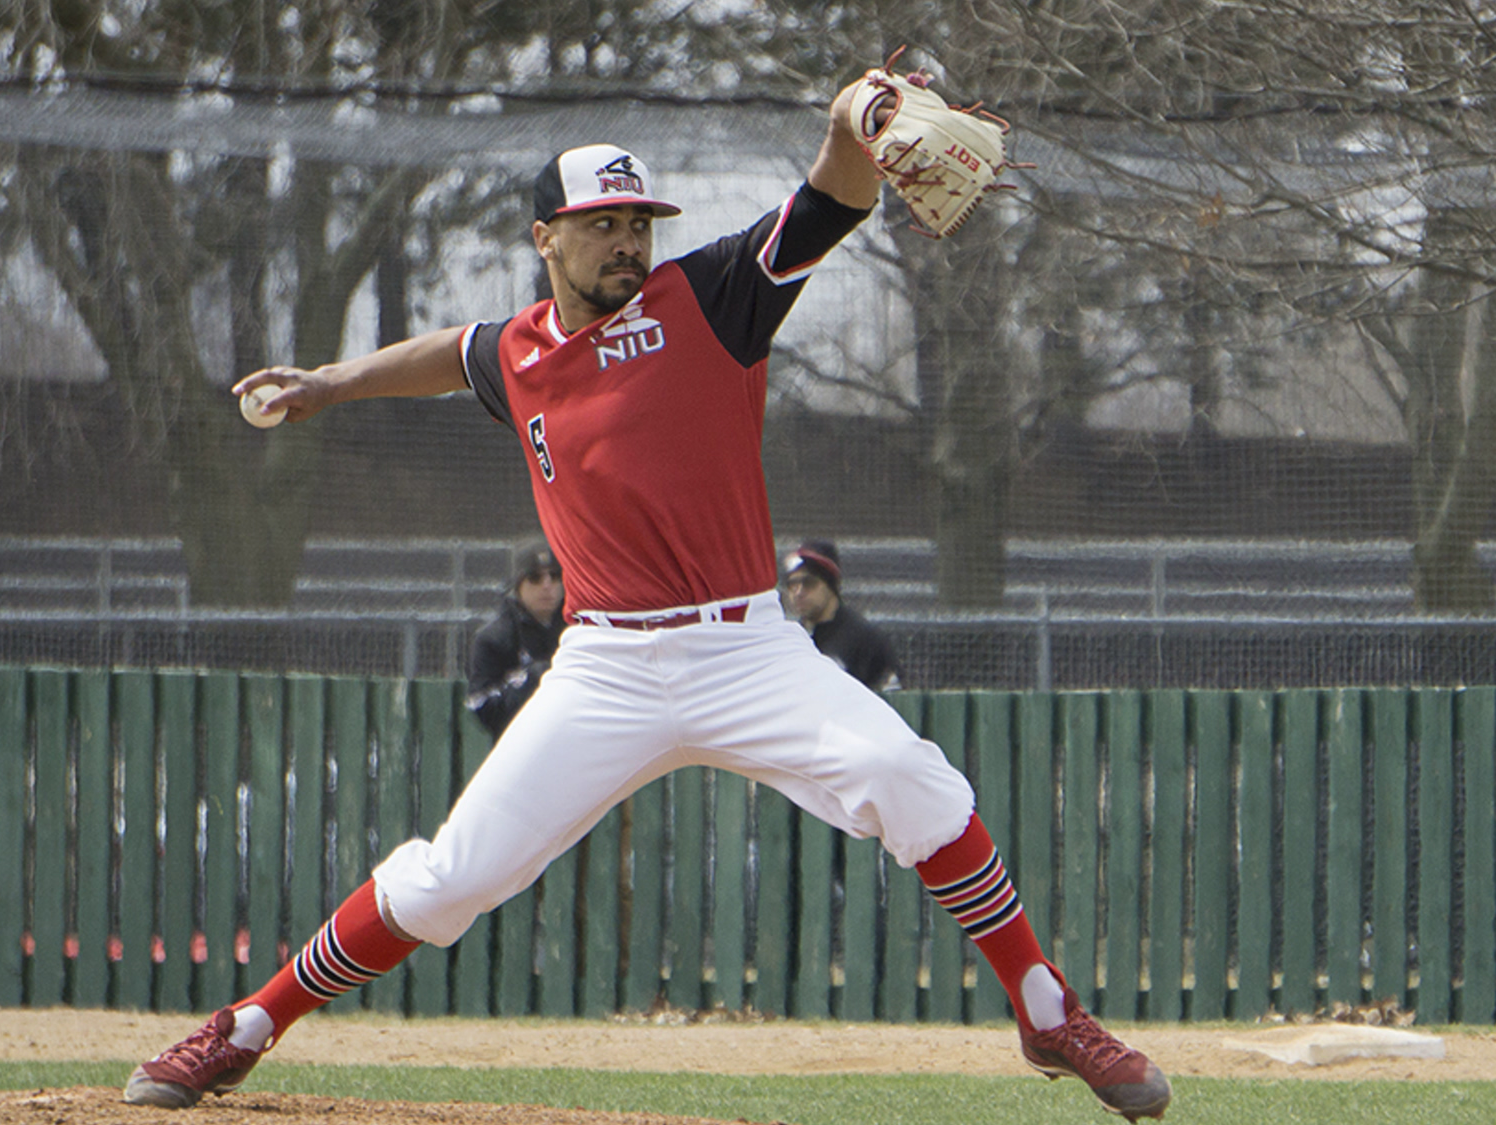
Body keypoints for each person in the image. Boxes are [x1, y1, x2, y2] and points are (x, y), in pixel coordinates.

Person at [125, 73, 1171, 1123]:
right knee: (448, 879)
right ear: (547, 238)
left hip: (742, 649)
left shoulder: (712, 296)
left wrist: (849, 123)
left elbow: (829, 201)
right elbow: (452, 354)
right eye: (602, 226)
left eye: (638, 223)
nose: (628, 244)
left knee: (904, 773)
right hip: (605, 668)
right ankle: (245, 1027)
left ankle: (1044, 1010)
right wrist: (331, 383)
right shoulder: (520, 352)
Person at [466, 540, 567, 738]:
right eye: (535, 578)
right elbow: (482, 706)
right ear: (518, 584)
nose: (547, 586)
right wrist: (531, 679)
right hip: (521, 744)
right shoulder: (495, 638)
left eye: (554, 576)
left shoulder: (578, 630)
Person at [782, 538, 900, 691]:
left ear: (831, 586)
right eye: (792, 584)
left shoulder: (866, 639)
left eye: (809, 583)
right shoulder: (793, 639)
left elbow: (893, 698)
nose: (798, 592)